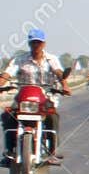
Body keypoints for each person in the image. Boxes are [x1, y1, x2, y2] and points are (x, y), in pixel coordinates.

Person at [1, 28, 70, 164]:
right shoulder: (20, 59)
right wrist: (1, 83)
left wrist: (65, 85)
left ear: (44, 44)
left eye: (38, 42)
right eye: (33, 42)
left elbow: (58, 72)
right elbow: (7, 74)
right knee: (7, 116)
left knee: (52, 117)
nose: (36, 45)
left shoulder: (51, 59)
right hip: (23, 98)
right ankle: (9, 151)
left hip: (45, 97)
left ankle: (51, 152)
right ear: (29, 44)